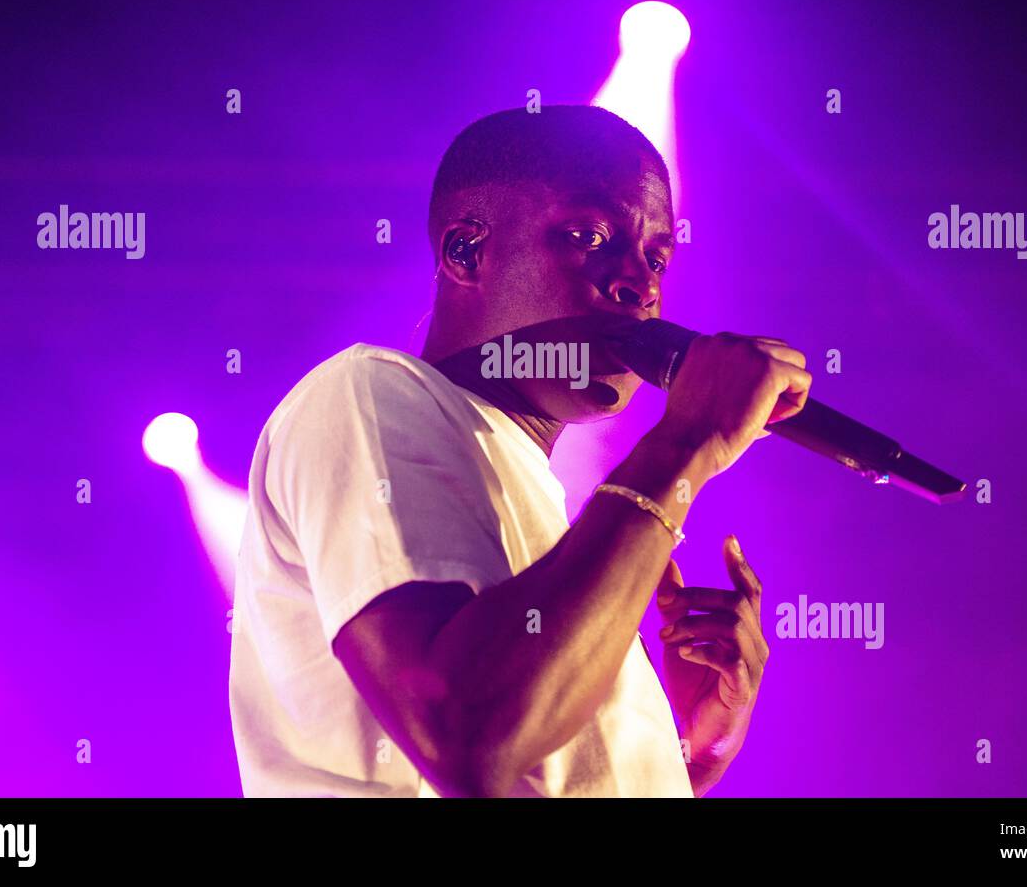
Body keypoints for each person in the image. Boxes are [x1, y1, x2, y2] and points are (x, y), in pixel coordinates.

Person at [228, 105, 811, 797]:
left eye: (656, 257)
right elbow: (464, 734)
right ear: (466, 252)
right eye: (591, 236)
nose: (642, 285)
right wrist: (684, 441)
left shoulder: (557, 529)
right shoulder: (366, 395)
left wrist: (689, 747)